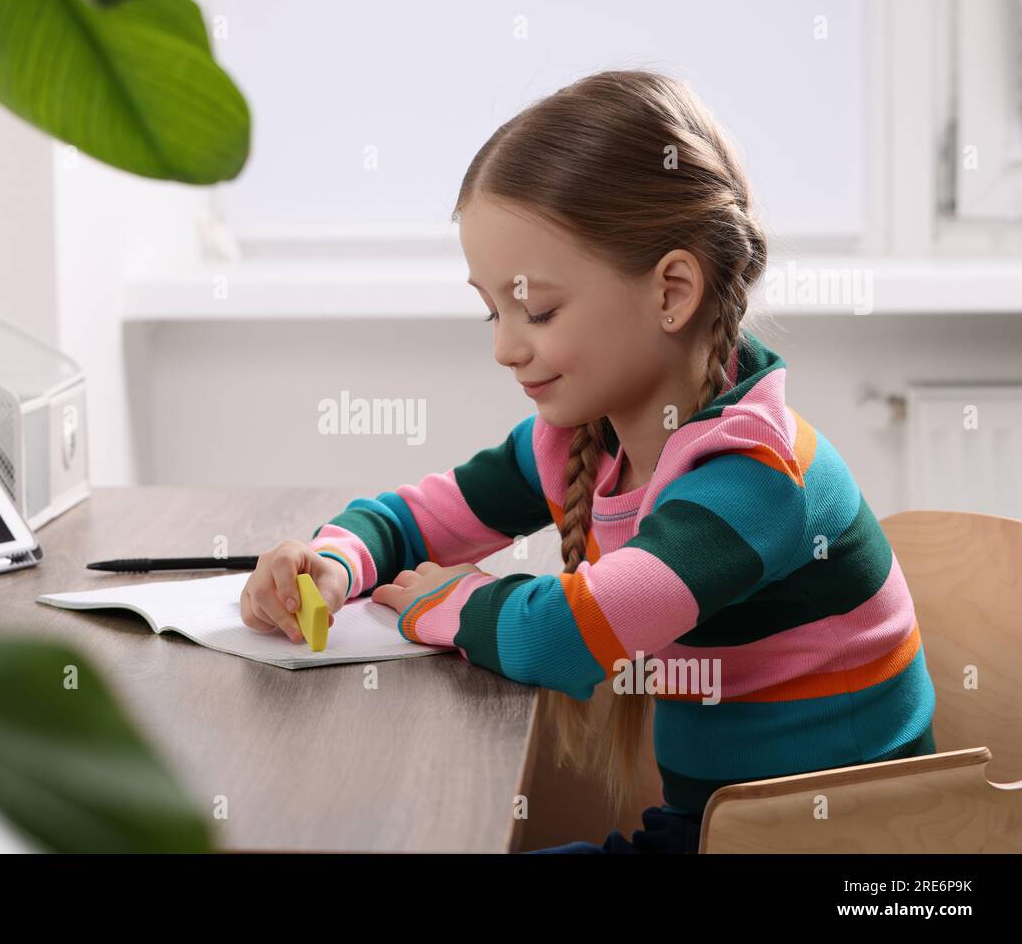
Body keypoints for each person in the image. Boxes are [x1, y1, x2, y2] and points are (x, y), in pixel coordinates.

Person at [237, 70, 936, 853]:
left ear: (671, 291)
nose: (505, 346)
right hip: (709, 829)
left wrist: (444, 603)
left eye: (536, 310)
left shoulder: (758, 478)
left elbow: (568, 635)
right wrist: (332, 561)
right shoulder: (582, 439)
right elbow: (423, 517)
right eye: (491, 309)